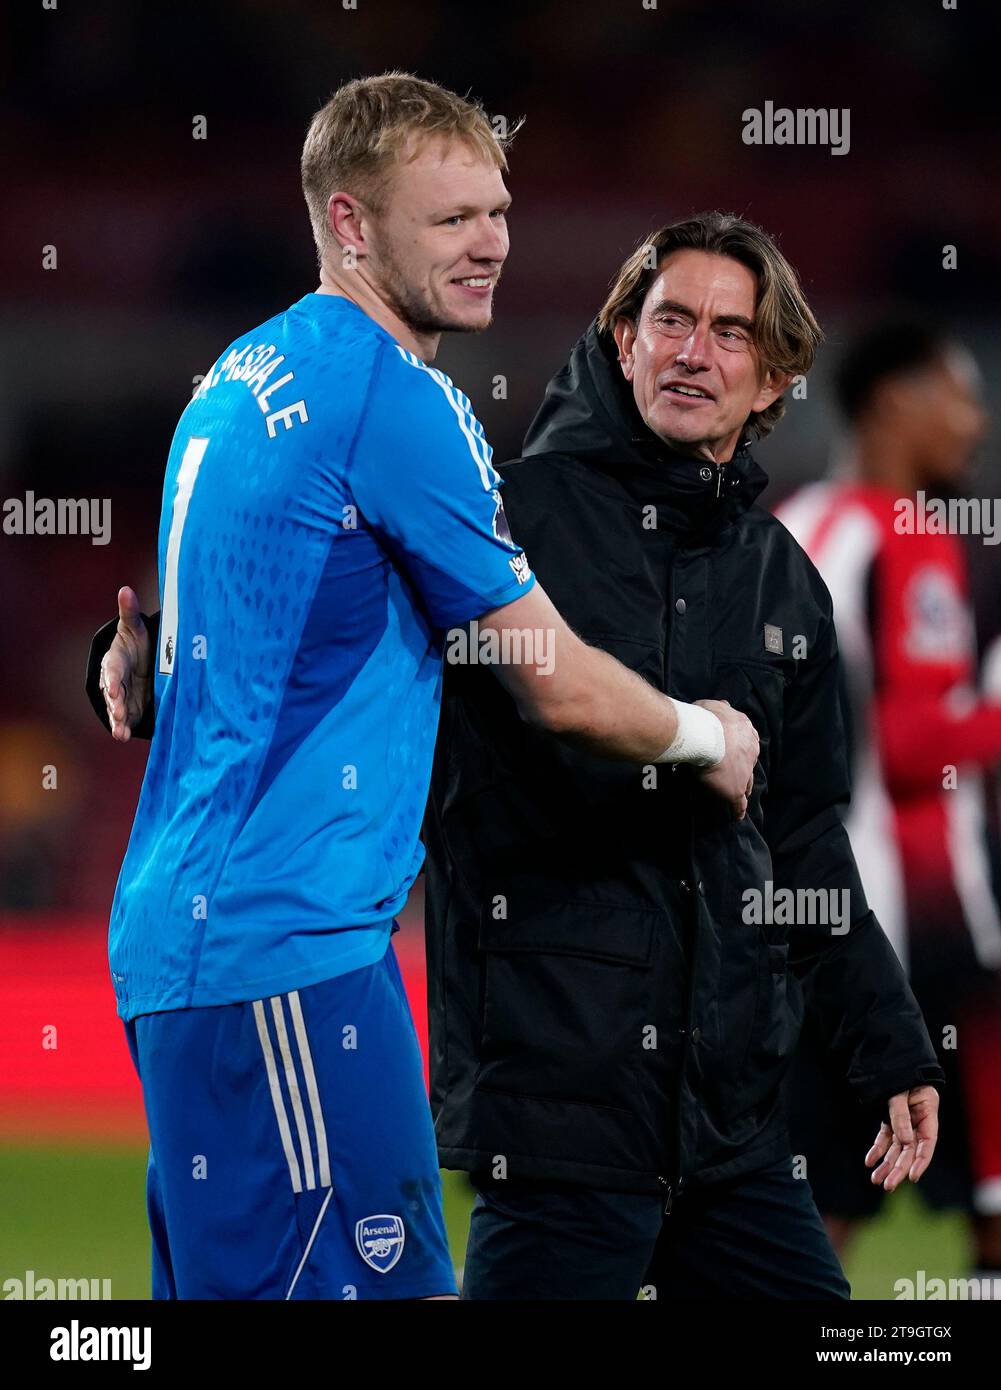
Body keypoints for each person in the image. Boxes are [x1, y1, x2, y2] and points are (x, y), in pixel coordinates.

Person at [86, 78, 761, 1300]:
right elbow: (547, 678)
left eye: (495, 210)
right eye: (450, 219)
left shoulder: (237, 376)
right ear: (350, 224)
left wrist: (127, 673)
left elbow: (180, 649)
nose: (491, 241)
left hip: (195, 951)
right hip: (284, 950)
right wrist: (701, 732)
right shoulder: (395, 400)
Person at [420, 214, 945, 1299]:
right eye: (668, 320)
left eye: (727, 332)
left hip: (729, 1135)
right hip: (559, 1117)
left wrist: (884, 1040)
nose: (691, 351)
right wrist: (155, 674)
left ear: (771, 380)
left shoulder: (778, 577)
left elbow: (802, 837)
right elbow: (341, 656)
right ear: (621, 339)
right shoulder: (506, 522)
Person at [777, 321, 1001, 1296]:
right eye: (955, 395)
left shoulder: (786, 523)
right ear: (891, 403)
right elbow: (912, 749)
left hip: (795, 912)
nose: (973, 420)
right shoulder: (909, 536)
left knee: (818, 1199)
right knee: (987, 1197)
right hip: (924, 923)